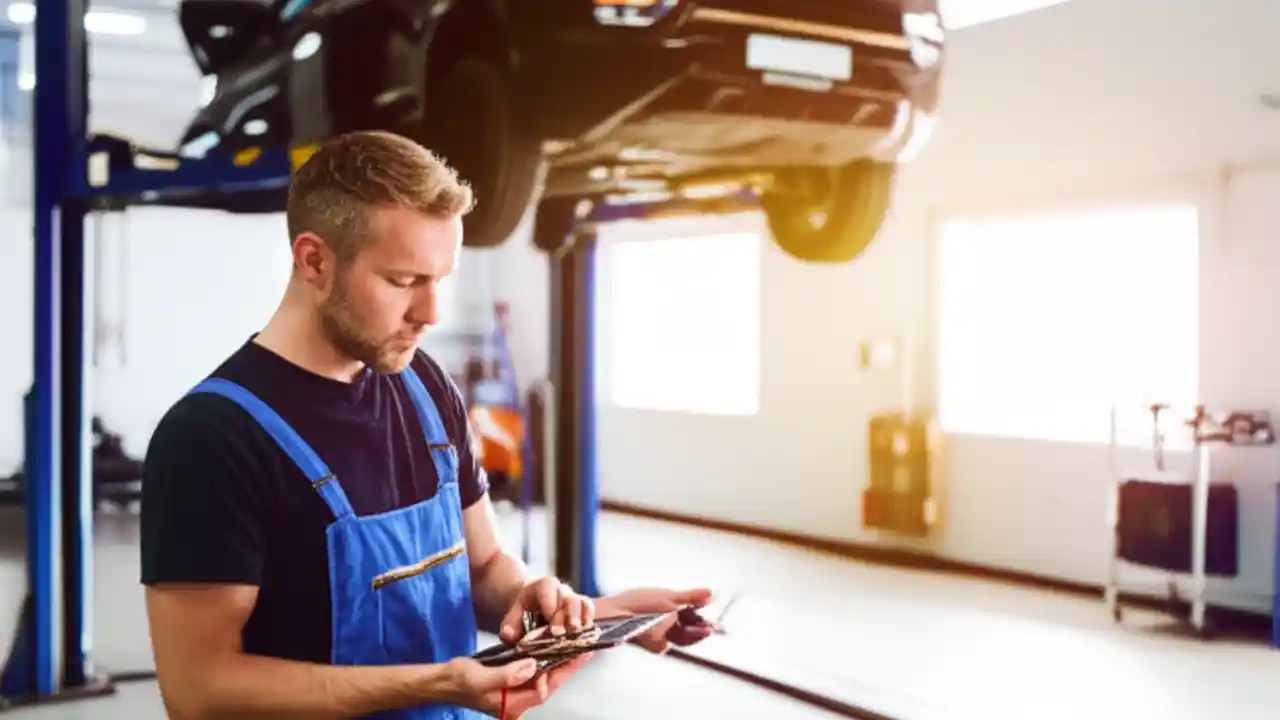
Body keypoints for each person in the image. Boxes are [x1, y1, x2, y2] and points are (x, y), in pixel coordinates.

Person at [140, 130, 714, 720]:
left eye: (440, 279)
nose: (430, 313)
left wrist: (543, 603)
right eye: (403, 280)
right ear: (314, 261)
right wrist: (434, 683)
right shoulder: (213, 439)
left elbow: (485, 567)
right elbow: (202, 689)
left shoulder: (425, 388)